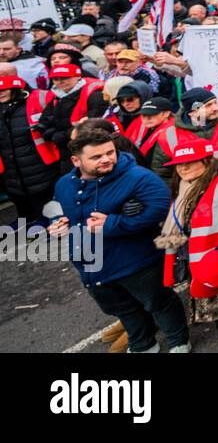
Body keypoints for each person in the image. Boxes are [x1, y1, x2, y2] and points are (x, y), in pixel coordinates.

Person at [50, 126, 190, 353]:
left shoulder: (138, 177)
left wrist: (114, 224)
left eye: (110, 152)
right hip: (91, 265)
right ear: (76, 161)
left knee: (159, 303)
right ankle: (143, 343)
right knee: (124, 309)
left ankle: (179, 340)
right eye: (96, 157)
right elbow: (56, 209)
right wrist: (56, 224)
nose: (106, 159)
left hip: (137, 262)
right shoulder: (64, 184)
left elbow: (163, 209)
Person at [156, 136, 218, 353]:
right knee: (214, 314)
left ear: (207, 161)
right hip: (199, 262)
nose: (182, 168)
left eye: (189, 162)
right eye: (179, 164)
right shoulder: (185, 186)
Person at [0, 73, 60, 224]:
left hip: (39, 161)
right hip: (10, 165)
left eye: (3, 90)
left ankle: (49, 220)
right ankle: (28, 219)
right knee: (17, 192)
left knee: (43, 192)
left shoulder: (38, 99)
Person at [154, 87, 218, 176]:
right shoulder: (169, 135)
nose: (215, 108)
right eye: (208, 105)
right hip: (194, 189)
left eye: (215, 102)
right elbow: (161, 171)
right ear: (192, 113)